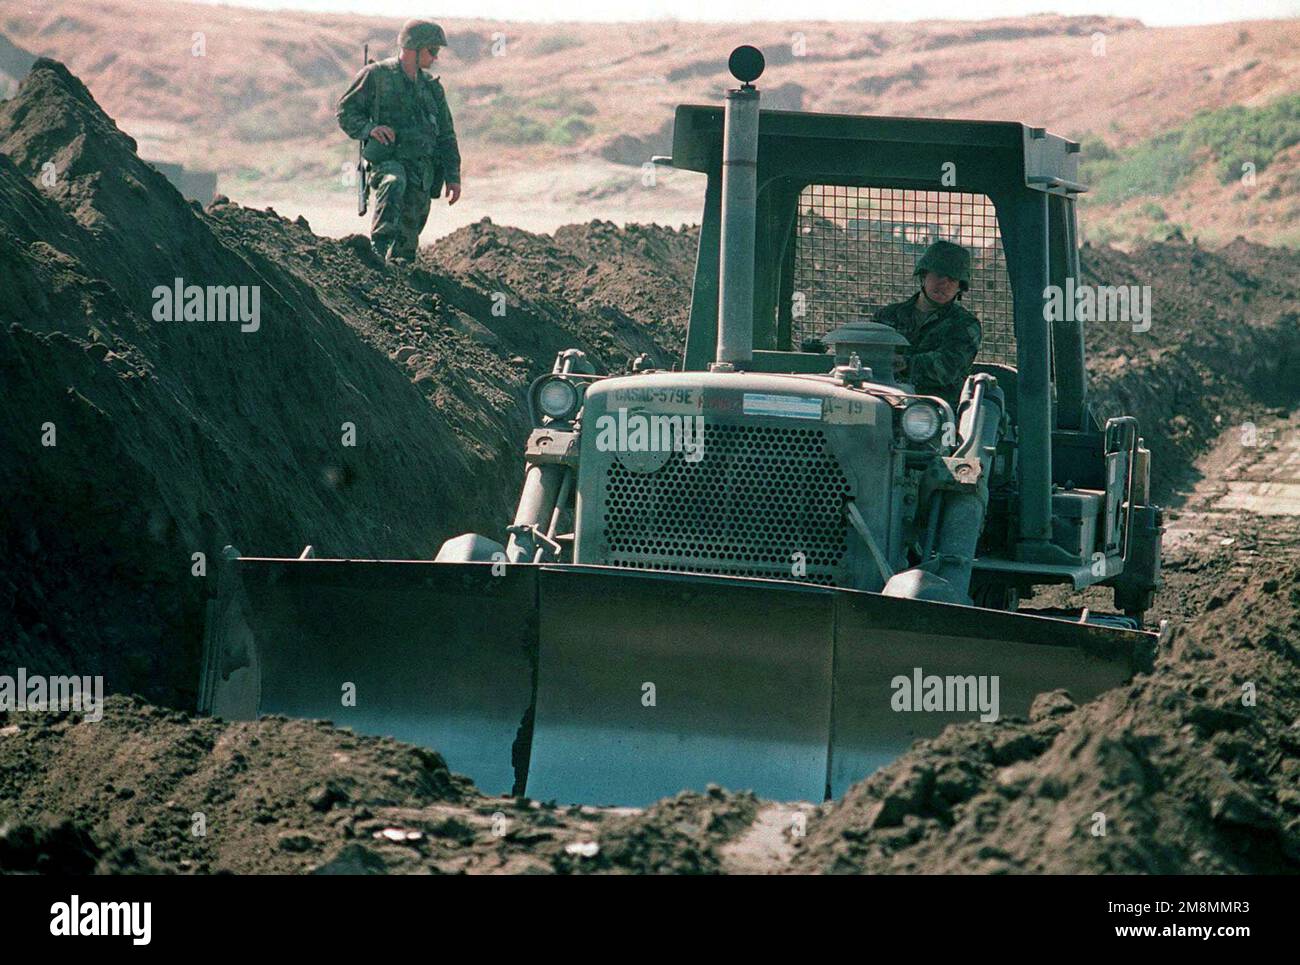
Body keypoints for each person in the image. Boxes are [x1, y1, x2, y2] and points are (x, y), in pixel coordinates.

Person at [336, 19, 462, 265]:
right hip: (388, 161)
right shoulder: (377, 76)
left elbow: (447, 135)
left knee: (406, 250)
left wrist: (453, 176)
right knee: (394, 183)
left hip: (422, 173)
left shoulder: (432, 89)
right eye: (432, 51)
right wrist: (369, 129)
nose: (435, 58)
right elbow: (345, 111)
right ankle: (377, 250)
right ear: (413, 48)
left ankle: (396, 276)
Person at [873, 240, 982, 408]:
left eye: (952, 279)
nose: (944, 284)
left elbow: (947, 369)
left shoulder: (965, 325)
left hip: (936, 409)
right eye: (938, 275)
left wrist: (904, 364)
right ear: (923, 276)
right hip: (884, 401)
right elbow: (868, 354)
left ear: (960, 287)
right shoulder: (887, 316)